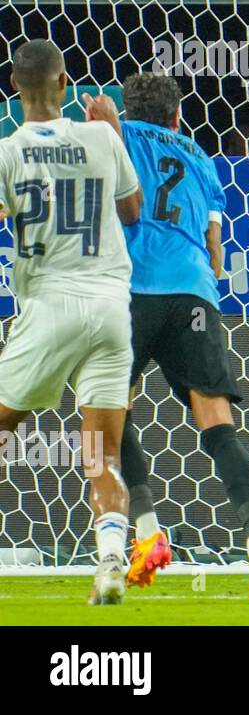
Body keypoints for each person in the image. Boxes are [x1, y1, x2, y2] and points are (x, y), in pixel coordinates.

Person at [82, 72, 249, 604]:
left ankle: (147, 533)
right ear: (176, 117)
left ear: (132, 109)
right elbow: (216, 250)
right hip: (194, 292)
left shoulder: (118, 134)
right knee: (217, 422)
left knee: (109, 413)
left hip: (132, 289)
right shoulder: (200, 156)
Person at [0, 40, 143, 605]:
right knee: (101, 454)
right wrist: (112, 127)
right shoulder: (102, 136)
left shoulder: (7, 153)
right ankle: (110, 561)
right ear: (65, 84)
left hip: (49, 306)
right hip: (110, 307)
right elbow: (131, 210)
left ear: (14, 87)